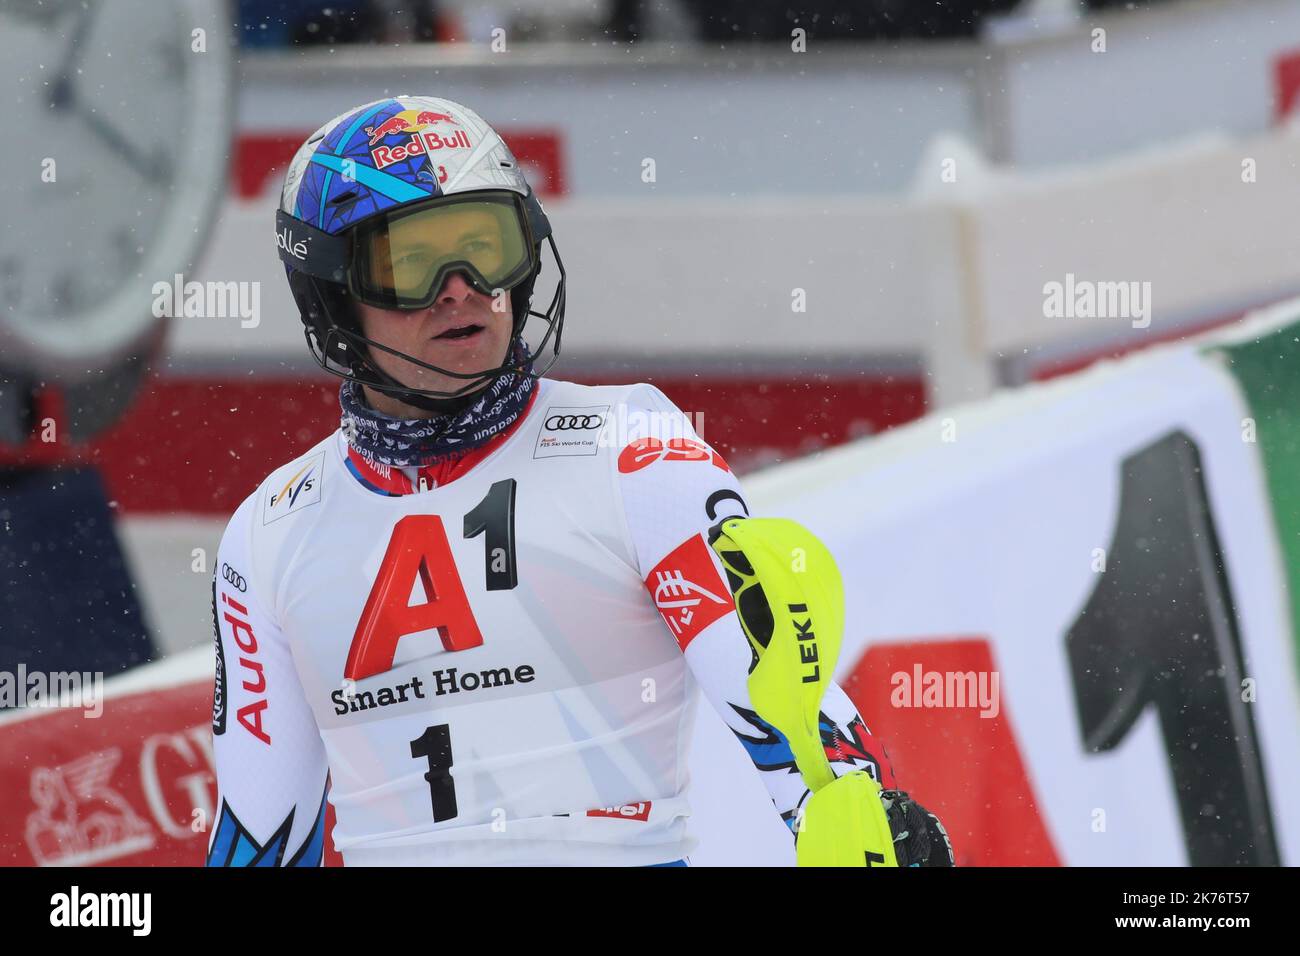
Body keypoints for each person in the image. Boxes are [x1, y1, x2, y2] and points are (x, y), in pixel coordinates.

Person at [206, 95, 952, 866]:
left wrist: (866, 820)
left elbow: (789, 715)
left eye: (485, 247)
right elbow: (259, 830)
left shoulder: (634, 451)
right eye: (411, 262)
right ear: (331, 296)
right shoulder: (269, 534)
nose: (461, 290)